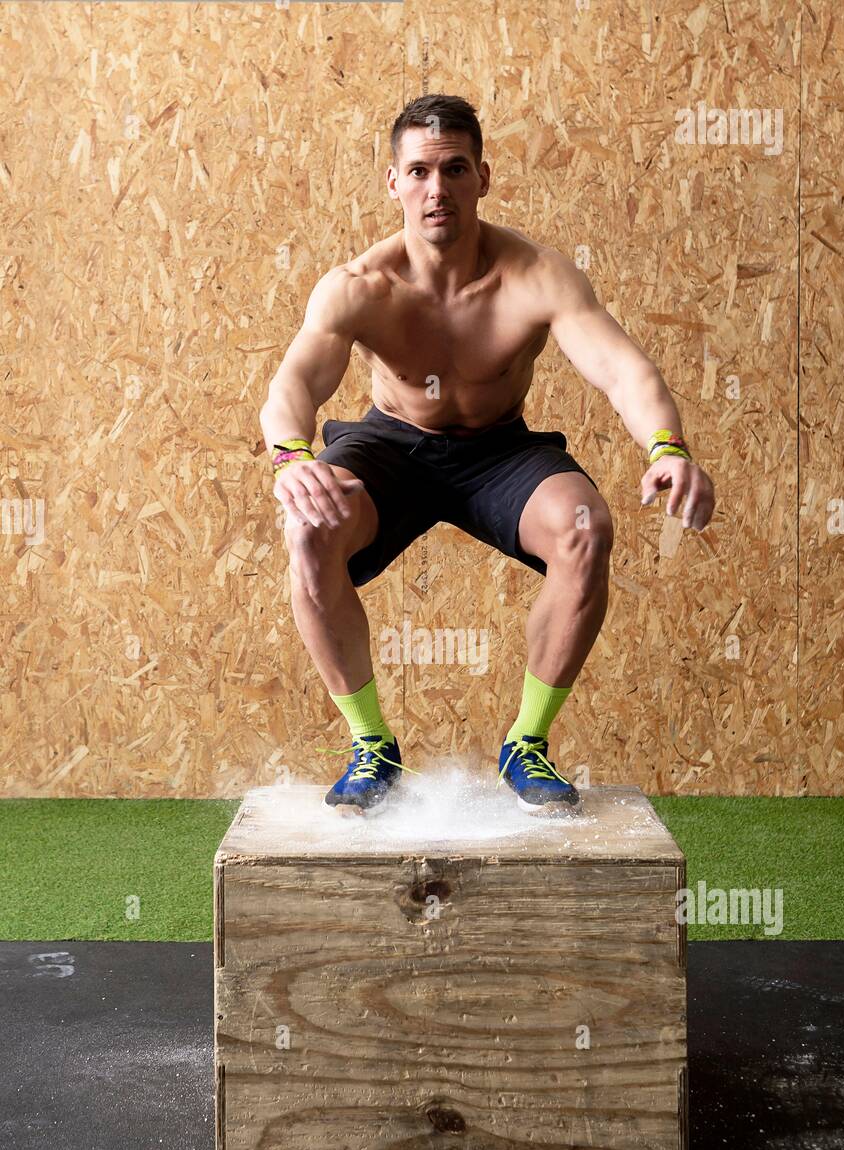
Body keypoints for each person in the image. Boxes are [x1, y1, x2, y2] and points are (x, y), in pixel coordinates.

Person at [260, 94, 715, 816]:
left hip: (498, 451)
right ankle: (370, 744)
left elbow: (622, 369)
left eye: (453, 169)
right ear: (393, 183)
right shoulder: (358, 287)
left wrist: (666, 446)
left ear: (482, 177)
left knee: (586, 528)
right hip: (388, 447)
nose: (435, 189)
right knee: (308, 529)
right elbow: (294, 382)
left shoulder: (538, 276)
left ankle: (525, 744)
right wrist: (290, 457)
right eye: (418, 171)